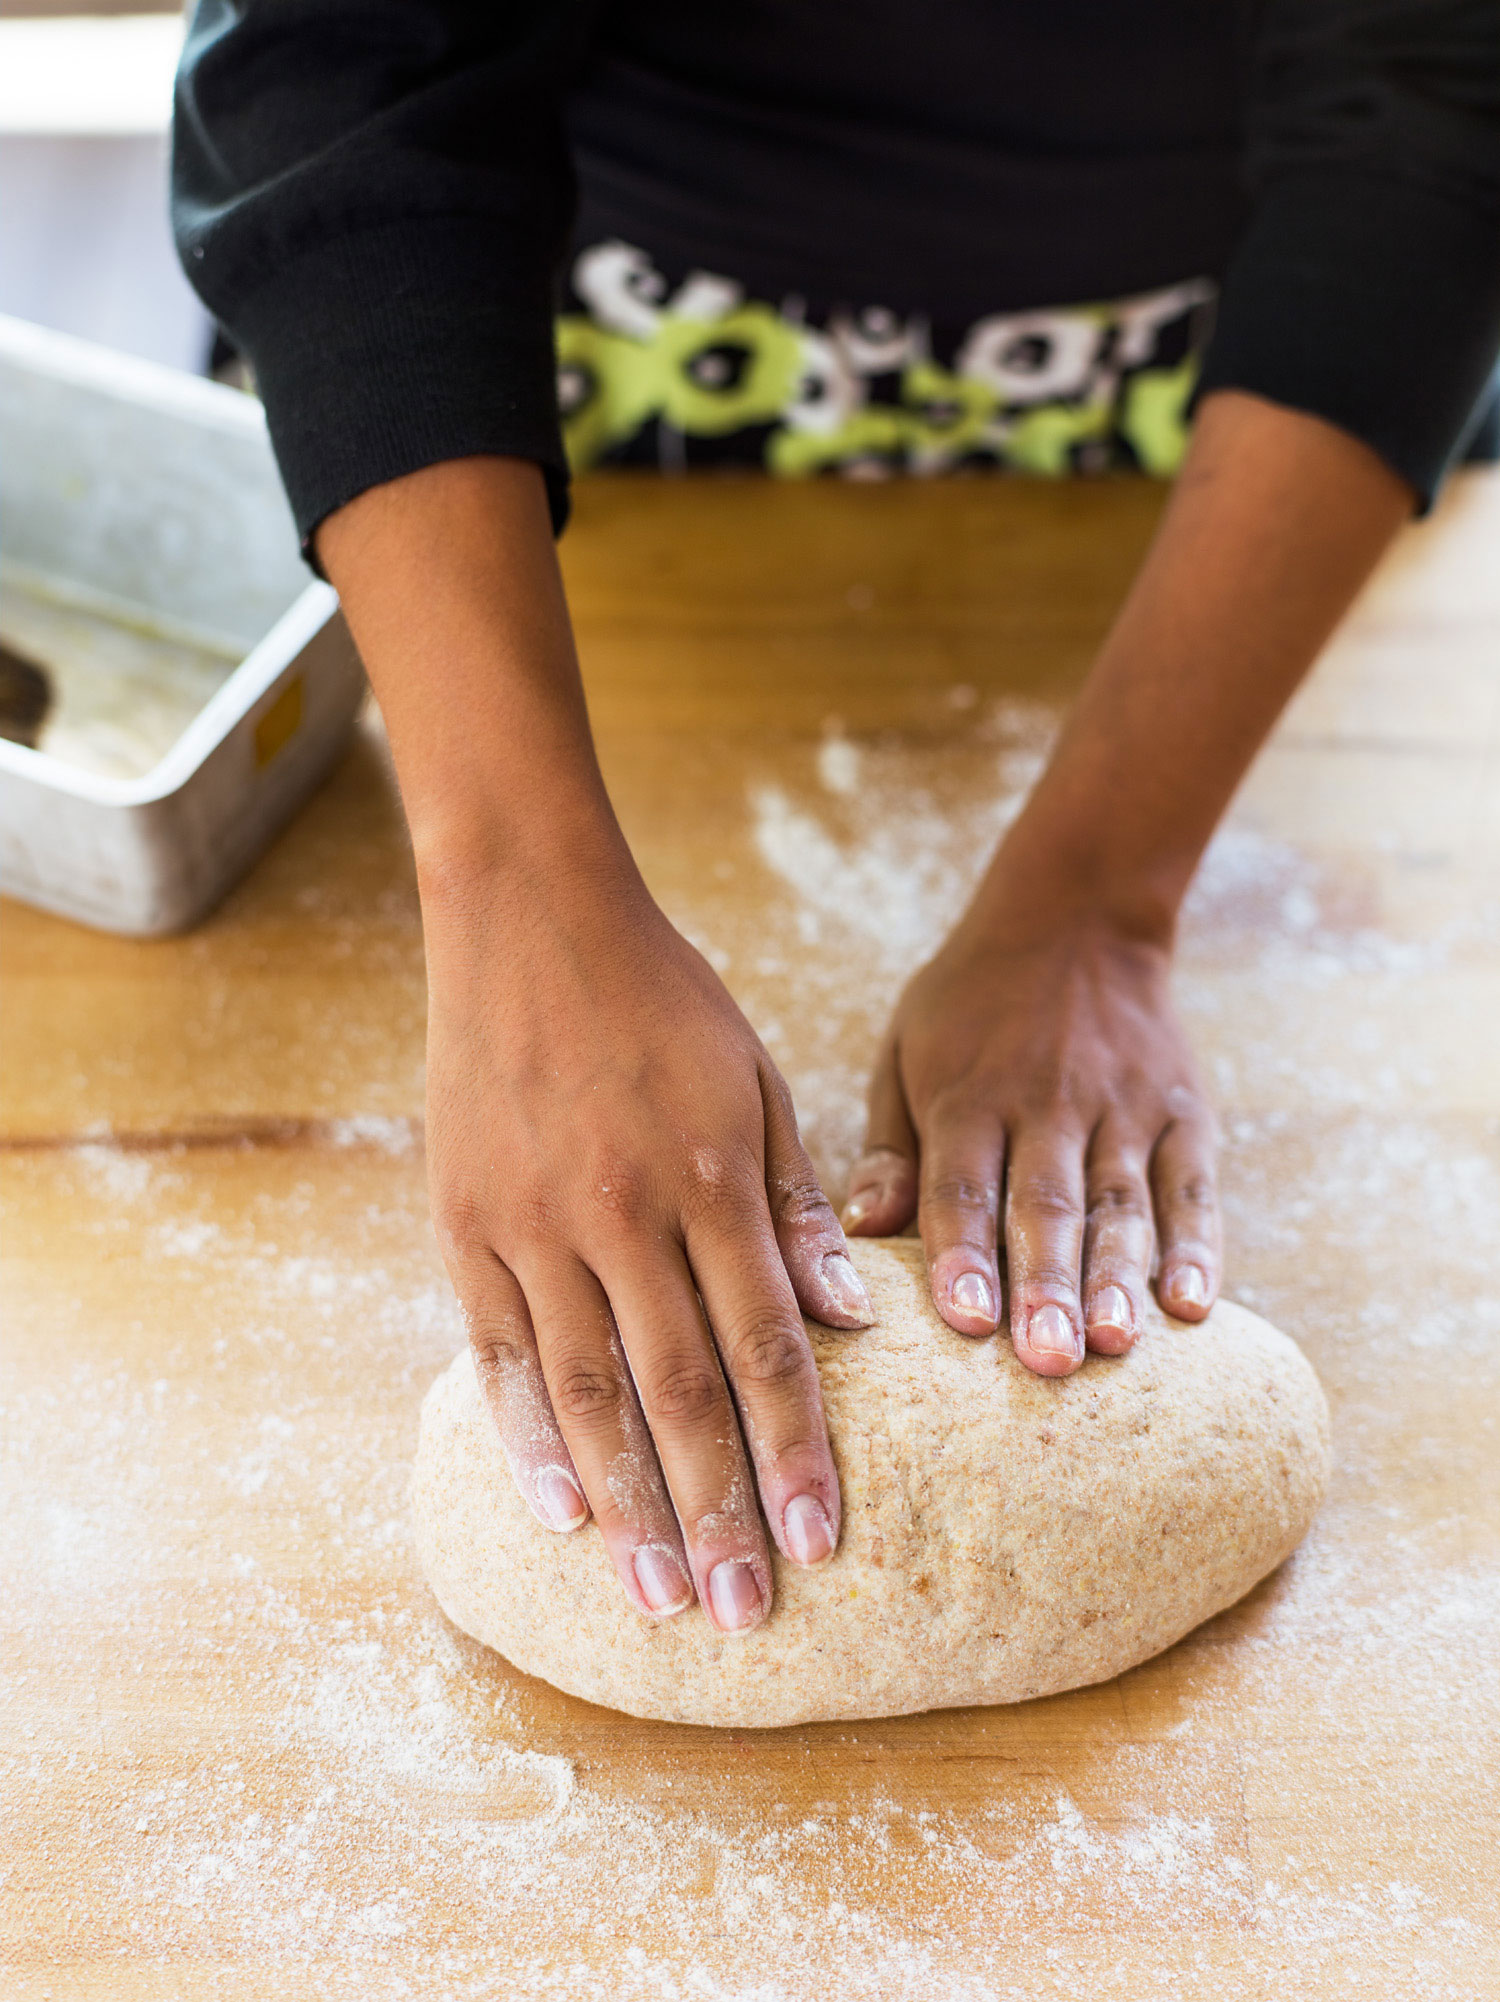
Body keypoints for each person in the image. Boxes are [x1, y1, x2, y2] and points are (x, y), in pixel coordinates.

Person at [172, 1, 1500, 1638]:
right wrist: (507, 872)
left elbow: (1441, 88)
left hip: (1259, 350)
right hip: (556, 332)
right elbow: (335, 46)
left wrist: (1103, 891)